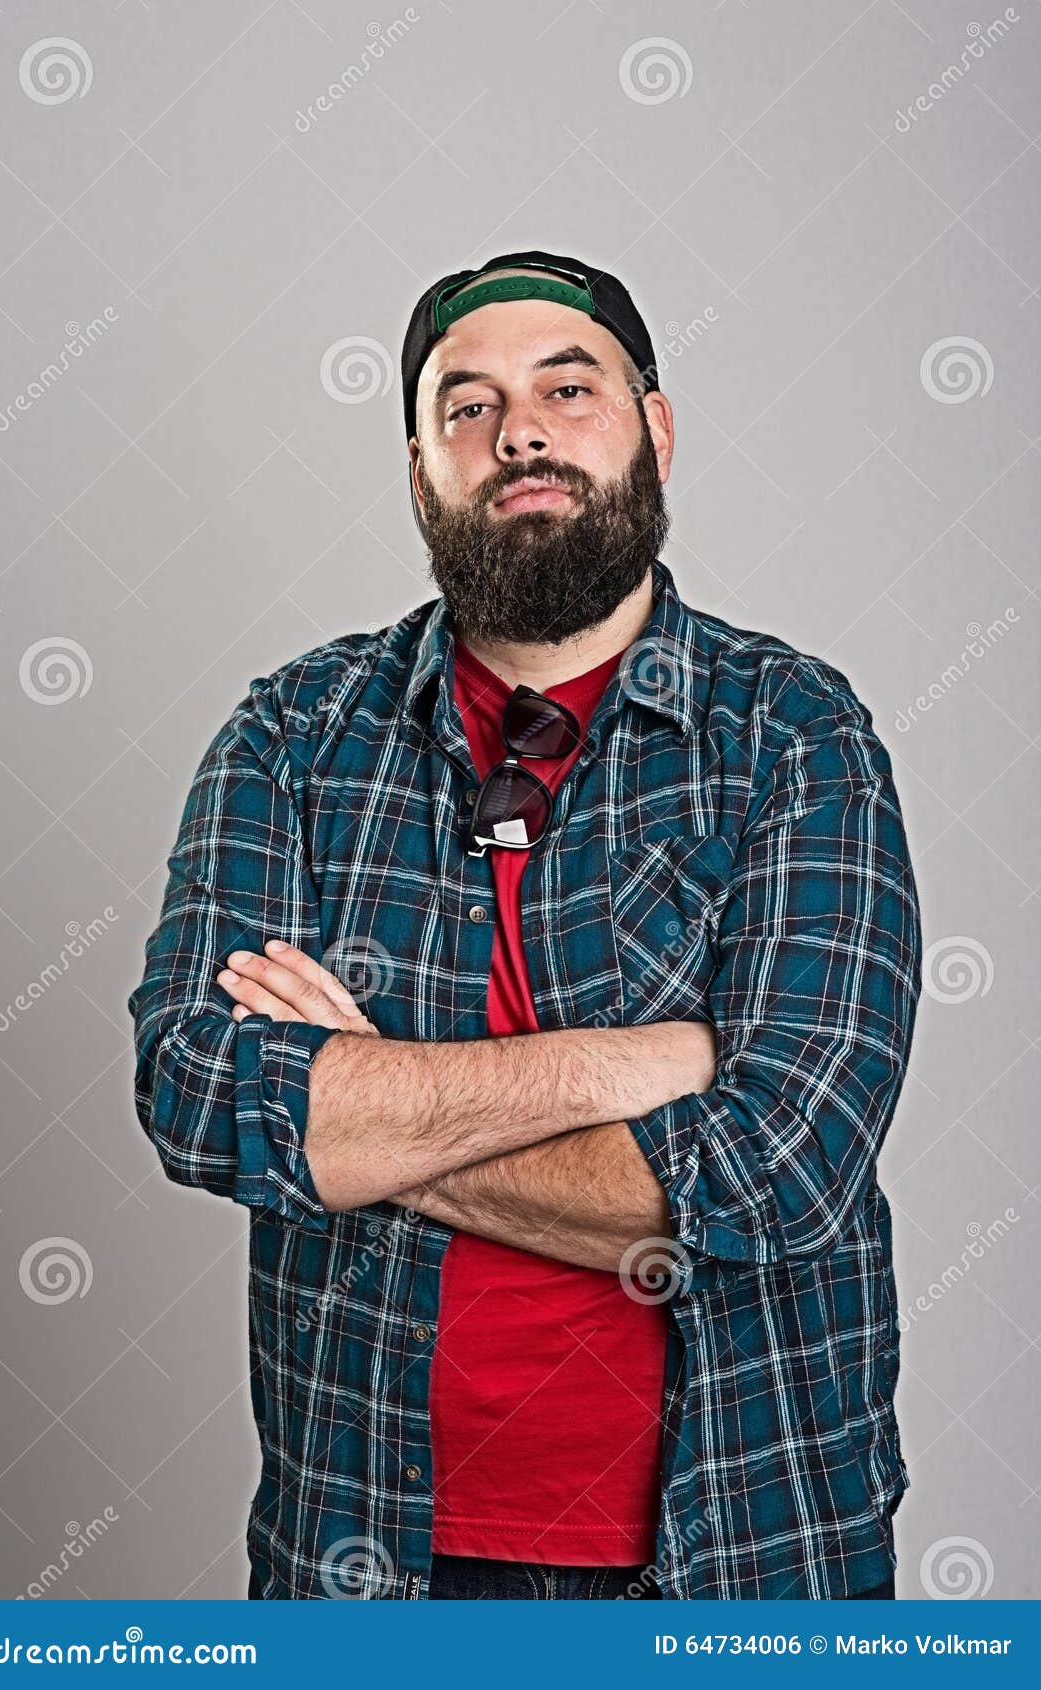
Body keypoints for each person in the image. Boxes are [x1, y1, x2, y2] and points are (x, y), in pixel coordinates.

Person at [128, 250, 921, 1601]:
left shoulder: (794, 733)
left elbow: (779, 1164)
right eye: (468, 406)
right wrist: (638, 1062)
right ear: (422, 469)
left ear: (655, 431)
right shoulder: (293, 737)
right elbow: (204, 1095)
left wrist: (362, 1133)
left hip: (744, 1548)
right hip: (363, 1556)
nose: (523, 432)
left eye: (568, 387)